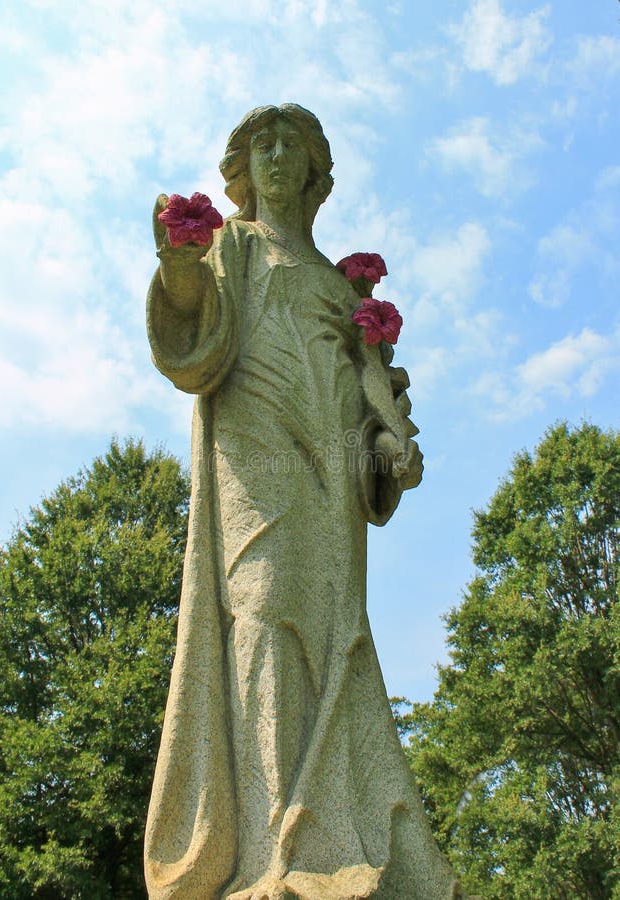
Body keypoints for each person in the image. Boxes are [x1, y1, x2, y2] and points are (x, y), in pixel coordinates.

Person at [144, 103, 462, 900]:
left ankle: (332, 840)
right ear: (241, 167)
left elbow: (368, 398)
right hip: (254, 461)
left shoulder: (333, 283)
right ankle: (266, 846)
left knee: (333, 631)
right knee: (260, 613)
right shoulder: (234, 247)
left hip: (331, 474)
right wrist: (181, 270)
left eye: (294, 143)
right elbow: (191, 343)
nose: (278, 154)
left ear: (316, 171)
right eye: (263, 142)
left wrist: (388, 442)